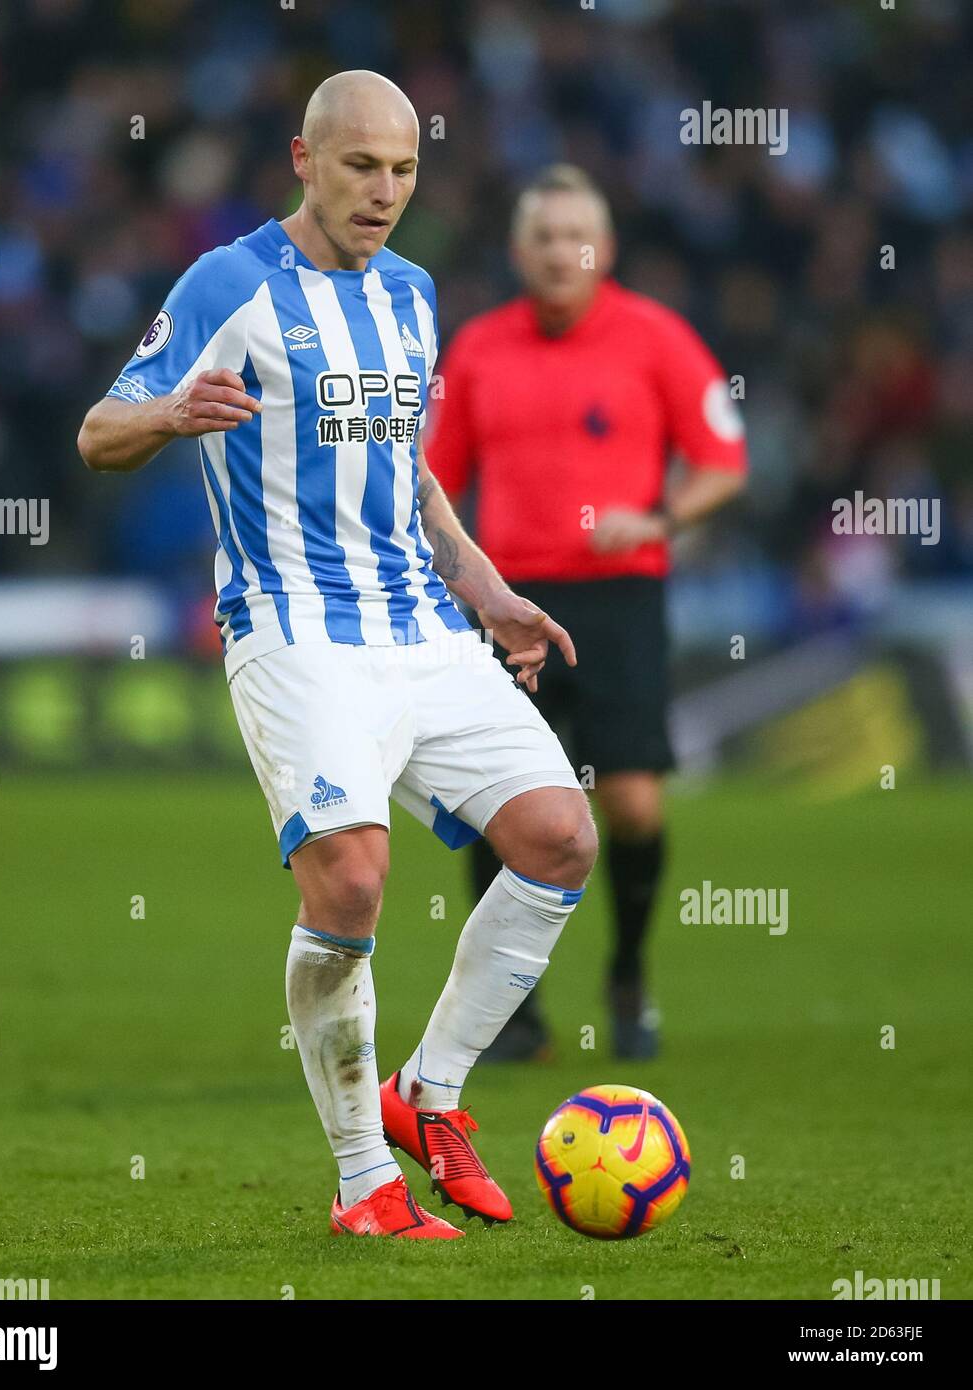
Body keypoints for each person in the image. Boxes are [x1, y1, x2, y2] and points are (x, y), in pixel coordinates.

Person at [77, 74, 597, 1240]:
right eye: (361, 165)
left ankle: (431, 1092)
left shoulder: (412, 298)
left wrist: (490, 590)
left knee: (561, 838)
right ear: (302, 159)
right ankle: (365, 1178)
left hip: (418, 620)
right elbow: (99, 428)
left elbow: (407, 476)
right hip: (292, 627)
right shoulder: (228, 281)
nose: (384, 191)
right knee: (352, 880)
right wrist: (169, 415)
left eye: (404, 169)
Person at [426, 165, 747, 1063]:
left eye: (576, 234)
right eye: (541, 235)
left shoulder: (656, 339)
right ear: (517, 251)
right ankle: (508, 1012)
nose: (559, 251)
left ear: (602, 250)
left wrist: (658, 518)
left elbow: (722, 459)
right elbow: (432, 482)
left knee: (633, 804)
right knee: (501, 805)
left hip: (620, 600)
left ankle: (628, 973)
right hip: (508, 601)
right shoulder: (480, 350)